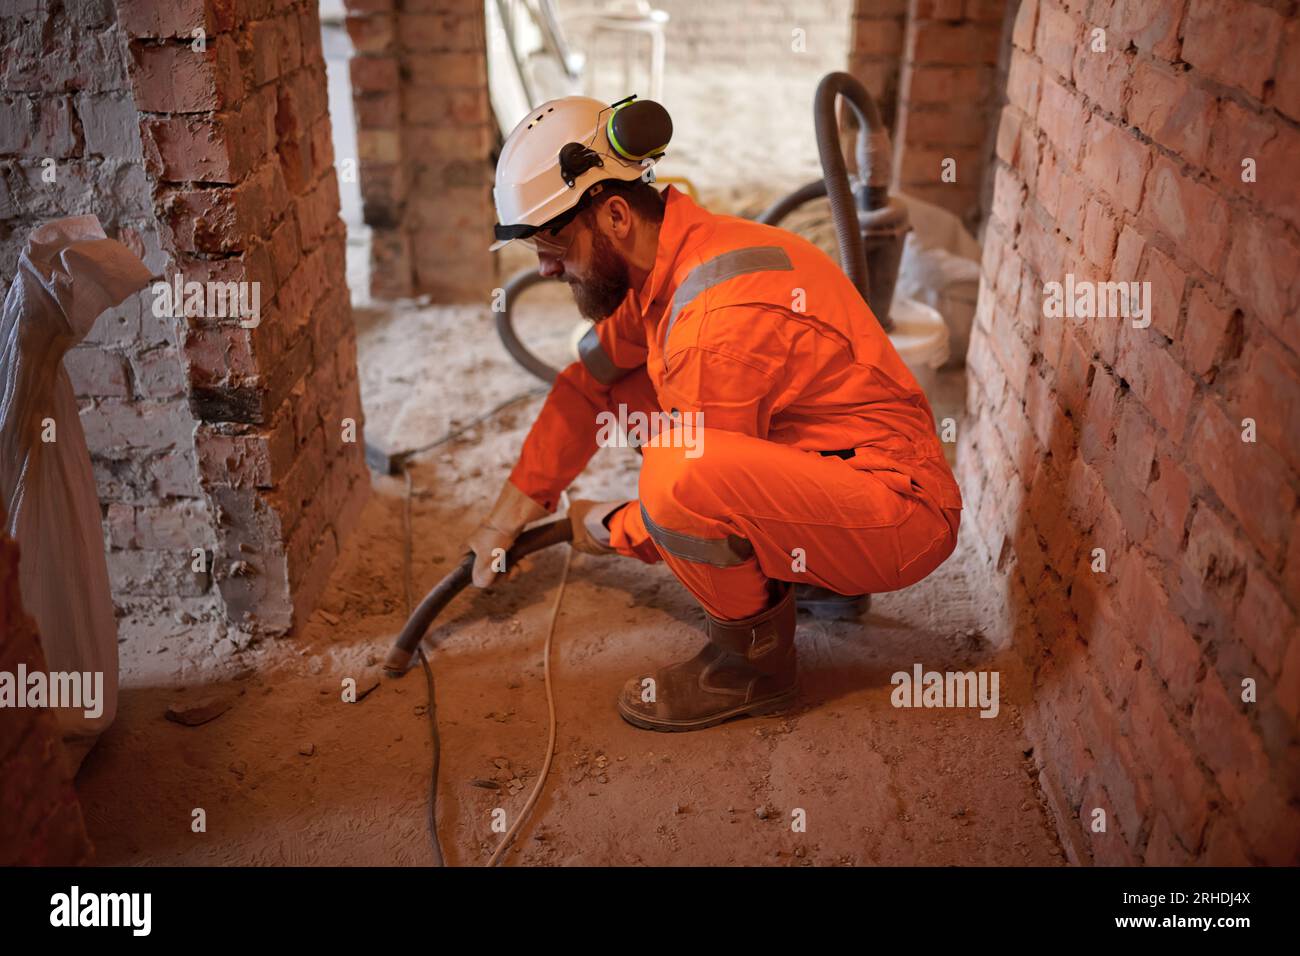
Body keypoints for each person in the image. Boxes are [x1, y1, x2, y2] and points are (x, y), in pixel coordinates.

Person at [468, 95, 962, 732]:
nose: (544, 266)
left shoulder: (715, 321)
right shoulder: (666, 261)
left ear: (615, 213)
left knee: (676, 475)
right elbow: (585, 387)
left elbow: (698, 492)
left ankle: (752, 666)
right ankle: (811, 575)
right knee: (621, 386)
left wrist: (602, 525)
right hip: (836, 470)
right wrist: (505, 518)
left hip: (897, 514)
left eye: (553, 241)